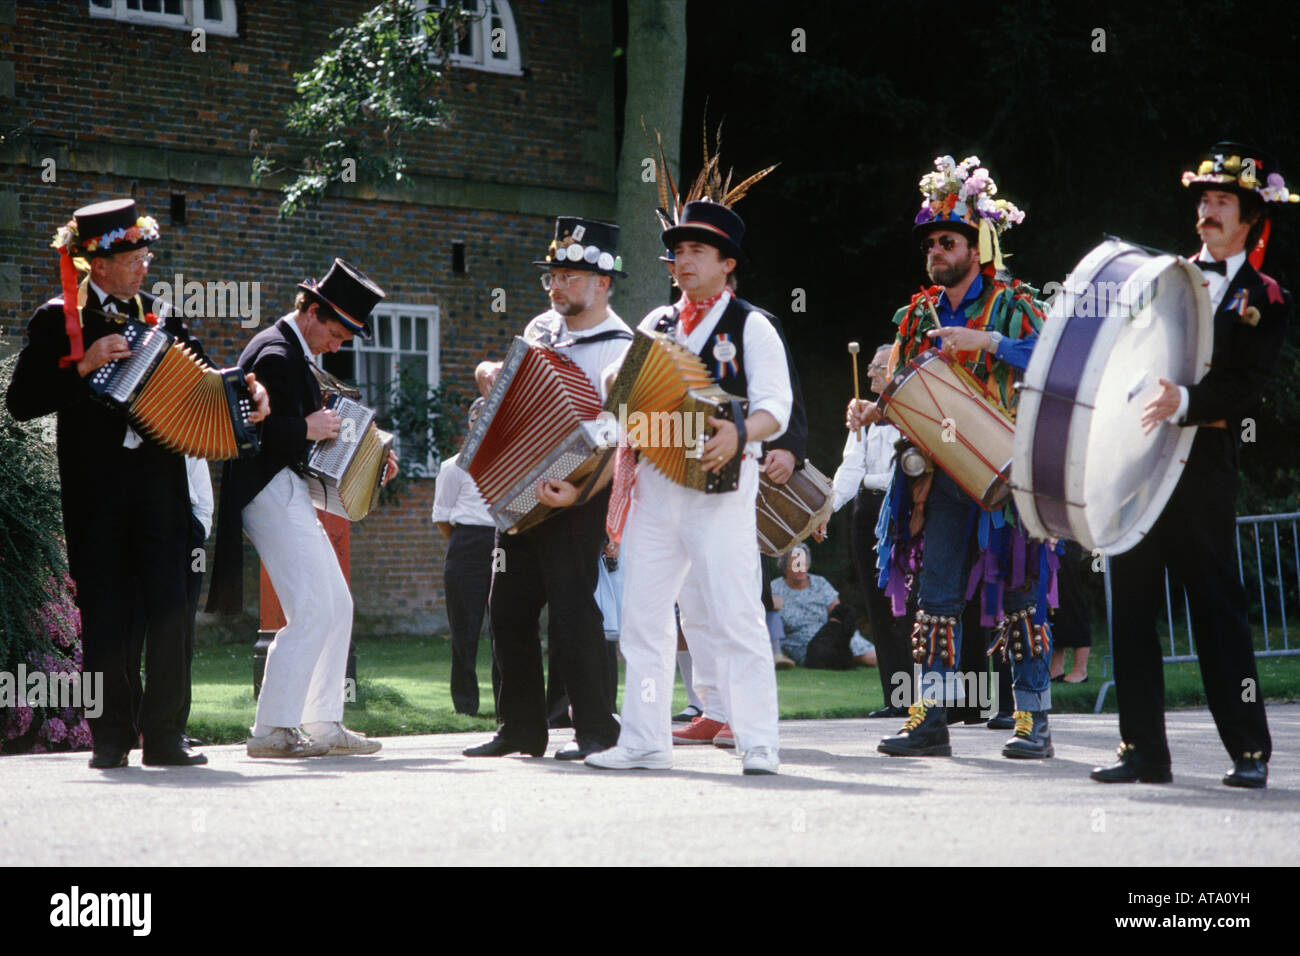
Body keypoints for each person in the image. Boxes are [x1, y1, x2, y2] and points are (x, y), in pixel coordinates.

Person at [6, 198, 268, 769]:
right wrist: (79, 366)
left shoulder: (163, 315)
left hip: (160, 488)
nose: (145, 264)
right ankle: (111, 736)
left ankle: (167, 734)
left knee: (172, 609)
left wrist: (249, 390)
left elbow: (206, 379)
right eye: (134, 256)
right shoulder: (59, 319)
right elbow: (20, 402)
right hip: (97, 493)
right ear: (98, 264)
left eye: (147, 254)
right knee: (106, 614)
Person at [1091, 142, 1293, 789]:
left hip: (1203, 474)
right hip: (1141, 464)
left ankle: (1250, 752)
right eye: (1204, 200)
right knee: (1130, 608)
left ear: (1248, 218)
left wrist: (1188, 402)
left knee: (1217, 613)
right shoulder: (1165, 277)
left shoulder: (1267, 296)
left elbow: (1249, 386)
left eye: (1222, 202)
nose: (1207, 211)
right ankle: (1143, 750)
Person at [848, 155, 1057, 760]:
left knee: (1021, 594)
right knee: (933, 596)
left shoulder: (1014, 303)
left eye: (948, 240)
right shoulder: (917, 314)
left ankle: (1033, 722)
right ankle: (929, 718)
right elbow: (906, 396)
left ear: (977, 246)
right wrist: (874, 410)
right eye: (930, 243)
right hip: (939, 474)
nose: (936, 250)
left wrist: (987, 341)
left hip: (1006, 474)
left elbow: (1053, 361)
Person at [586, 198, 792, 775]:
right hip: (655, 480)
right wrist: (614, 380)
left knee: (736, 614)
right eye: (677, 252)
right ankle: (646, 739)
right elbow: (623, 393)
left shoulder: (752, 324)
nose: (683, 261)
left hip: (722, 487)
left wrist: (741, 432)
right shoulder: (656, 322)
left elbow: (777, 406)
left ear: (728, 263)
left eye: (697, 251)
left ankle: (758, 741)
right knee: (643, 618)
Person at [209, 258, 396, 759]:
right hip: (269, 492)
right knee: (312, 609)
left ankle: (322, 721)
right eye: (335, 334)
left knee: (336, 605)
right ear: (311, 310)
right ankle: (271, 729)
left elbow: (317, 432)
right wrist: (306, 430)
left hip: (285, 489)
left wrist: (374, 457)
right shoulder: (275, 353)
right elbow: (250, 429)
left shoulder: (292, 350)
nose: (336, 346)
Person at [462, 217, 631, 762]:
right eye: (552, 275)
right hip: (522, 488)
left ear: (602, 282)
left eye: (569, 276)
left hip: (580, 498)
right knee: (507, 607)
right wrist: (488, 370)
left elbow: (623, 437)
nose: (556, 286)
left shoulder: (622, 347)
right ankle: (520, 729)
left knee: (572, 611)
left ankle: (597, 733)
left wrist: (579, 496)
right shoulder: (540, 329)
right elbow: (507, 382)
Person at [826, 343, 906, 715]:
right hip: (866, 510)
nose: (870, 373)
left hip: (902, 509)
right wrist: (826, 510)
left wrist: (870, 480)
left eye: (878, 367)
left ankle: (925, 700)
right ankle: (896, 699)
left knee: (906, 606)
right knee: (877, 605)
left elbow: (901, 473)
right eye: (871, 367)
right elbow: (850, 466)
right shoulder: (862, 415)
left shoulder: (912, 412)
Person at [432, 397, 500, 716]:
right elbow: (442, 516)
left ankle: (508, 705)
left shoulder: (510, 463)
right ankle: (465, 706)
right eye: (476, 421)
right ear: (469, 426)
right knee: (464, 629)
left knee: (505, 626)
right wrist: (464, 544)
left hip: (503, 544)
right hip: (467, 542)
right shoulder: (453, 467)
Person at [770, 544, 876, 669]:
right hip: (799, 642)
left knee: (872, 658)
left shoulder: (820, 583)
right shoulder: (774, 588)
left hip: (829, 634)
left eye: (804, 563)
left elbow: (839, 613)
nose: (801, 568)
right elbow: (771, 620)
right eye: (796, 564)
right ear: (784, 568)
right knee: (829, 657)